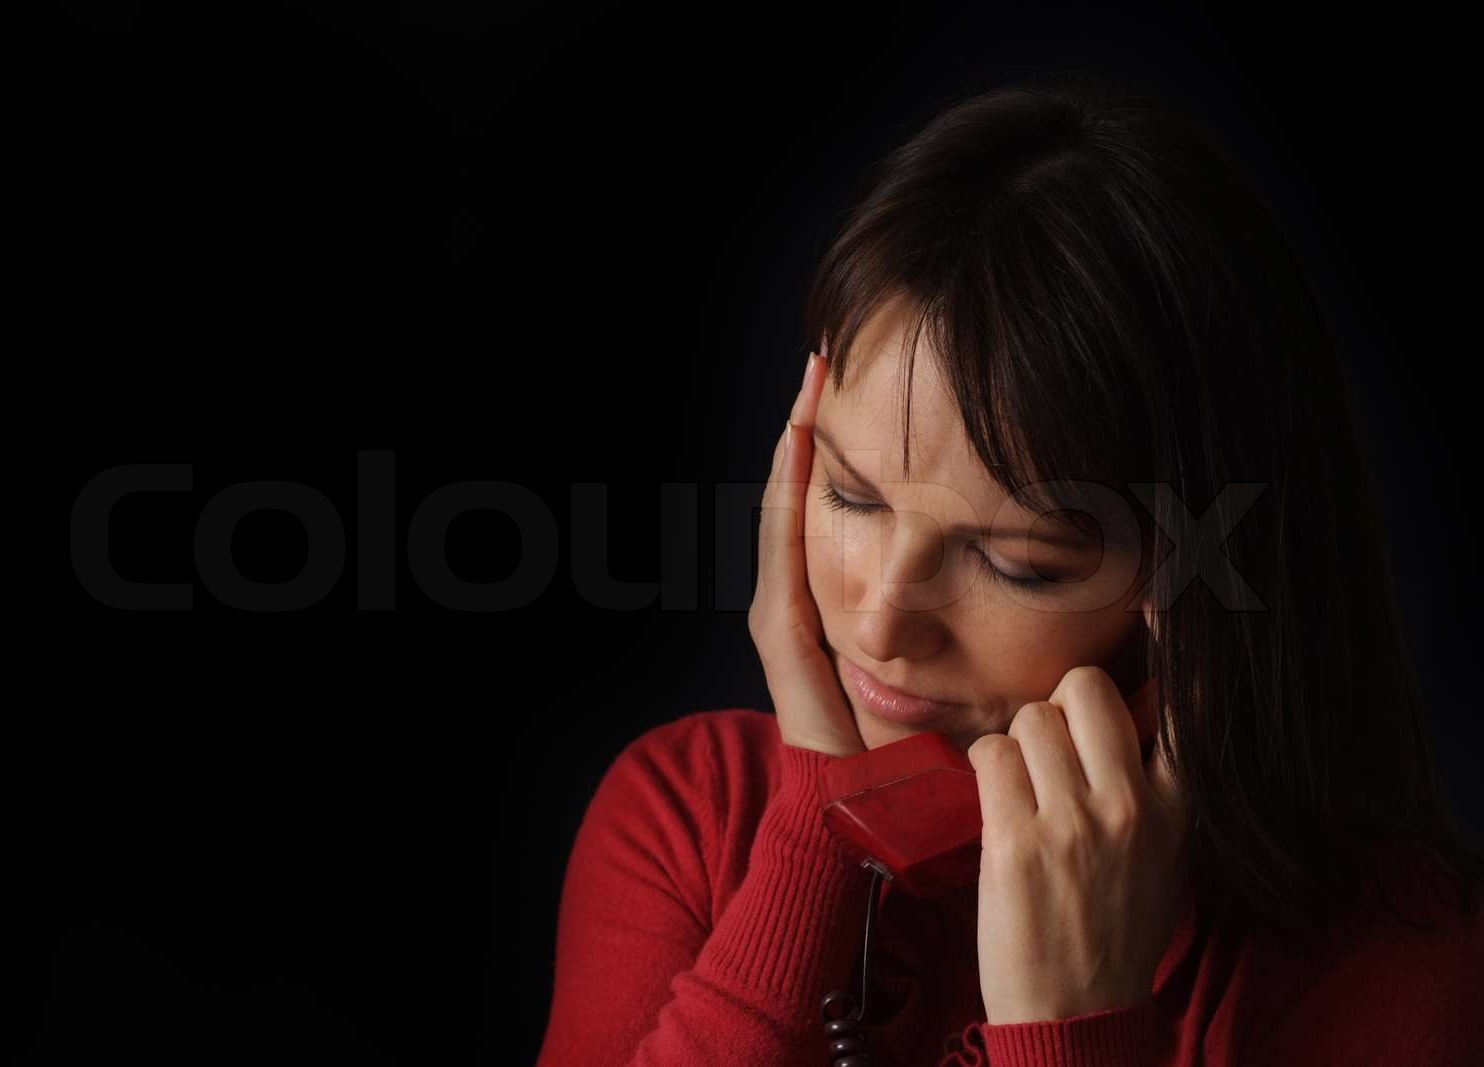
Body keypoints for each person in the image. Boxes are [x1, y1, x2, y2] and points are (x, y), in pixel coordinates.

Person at [534, 72, 1484, 1066]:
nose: (881, 622)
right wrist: (814, 836)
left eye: (1016, 560)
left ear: (1190, 584)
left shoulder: (1396, 962)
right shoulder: (688, 813)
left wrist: (1070, 1025)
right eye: (853, 496)